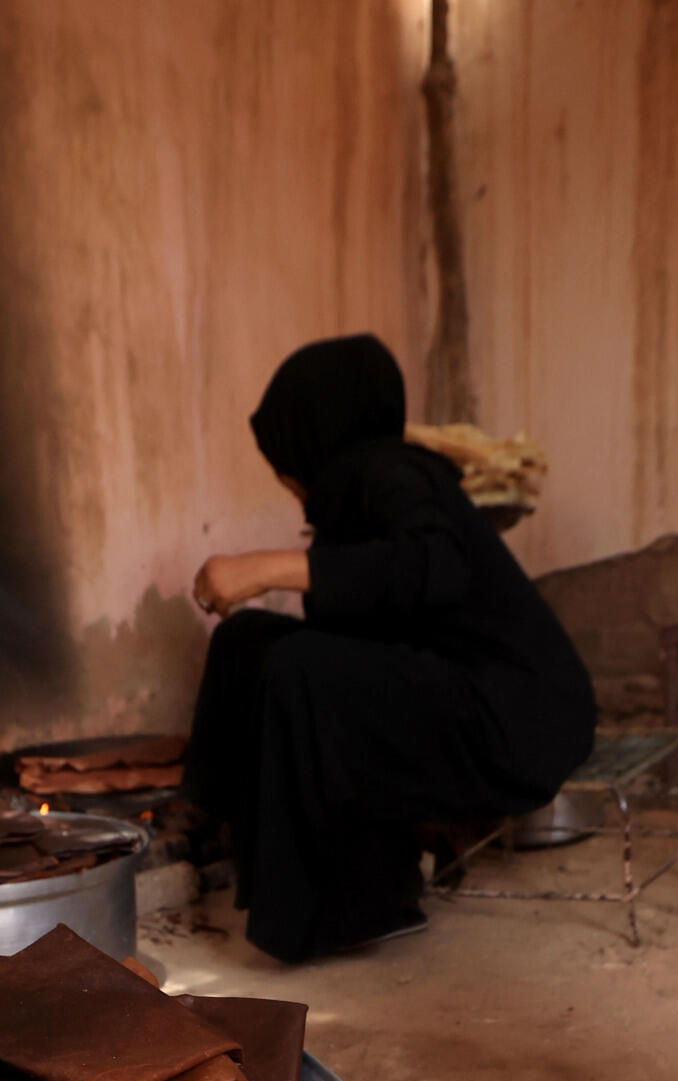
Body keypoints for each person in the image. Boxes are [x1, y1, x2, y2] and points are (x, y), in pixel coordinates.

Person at [183, 335, 595, 962]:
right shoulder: (352, 492)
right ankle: (207, 835)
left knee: (301, 669)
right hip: (456, 691)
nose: (285, 478)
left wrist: (265, 568)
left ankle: (356, 908)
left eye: (284, 458)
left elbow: (435, 565)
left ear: (314, 431)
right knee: (246, 641)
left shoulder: (393, 471)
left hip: (515, 721)